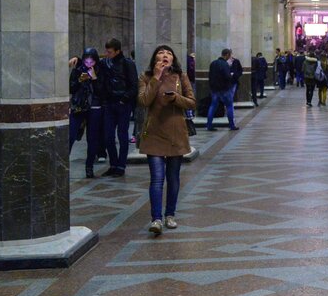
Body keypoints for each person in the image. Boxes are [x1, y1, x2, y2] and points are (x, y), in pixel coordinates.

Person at [137, 45, 196, 236]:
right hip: (154, 133)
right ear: (155, 59)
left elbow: (192, 102)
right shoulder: (146, 77)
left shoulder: (181, 76)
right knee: (157, 178)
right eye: (161, 53)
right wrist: (156, 77)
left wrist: (176, 98)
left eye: (169, 53)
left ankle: (170, 214)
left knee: (173, 177)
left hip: (176, 133)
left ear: (173, 59)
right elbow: (144, 101)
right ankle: (156, 219)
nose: (165, 55)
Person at [101, 38, 139, 177]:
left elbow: (134, 85)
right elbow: (90, 62)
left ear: (117, 51)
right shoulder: (105, 63)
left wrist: (124, 99)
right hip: (110, 104)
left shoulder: (127, 64)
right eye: (106, 51)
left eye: (110, 52)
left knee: (122, 135)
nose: (107, 54)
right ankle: (113, 164)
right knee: (108, 136)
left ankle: (121, 165)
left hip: (123, 104)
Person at [69, 47, 107, 178]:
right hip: (79, 107)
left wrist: (94, 78)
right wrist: (80, 80)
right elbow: (71, 88)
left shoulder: (101, 71)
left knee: (93, 138)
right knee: (71, 135)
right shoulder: (78, 70)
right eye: (86, 62)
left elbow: (102, 92)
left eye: (92, 62)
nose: (89, 64)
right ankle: (63, 164)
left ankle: (89, 166)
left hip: (95, 108)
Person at [206, 48, 238, 131]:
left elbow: (210, 76)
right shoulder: (225, 64)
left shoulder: (213, 63)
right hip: (224, 89)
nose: (229, 57)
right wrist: (231, 76)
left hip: (214, 89)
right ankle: (232, 125)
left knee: (213, 106)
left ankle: (209, 125)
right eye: (229, 55)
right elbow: (227, 76)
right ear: (227, 55)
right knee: (229, 106)